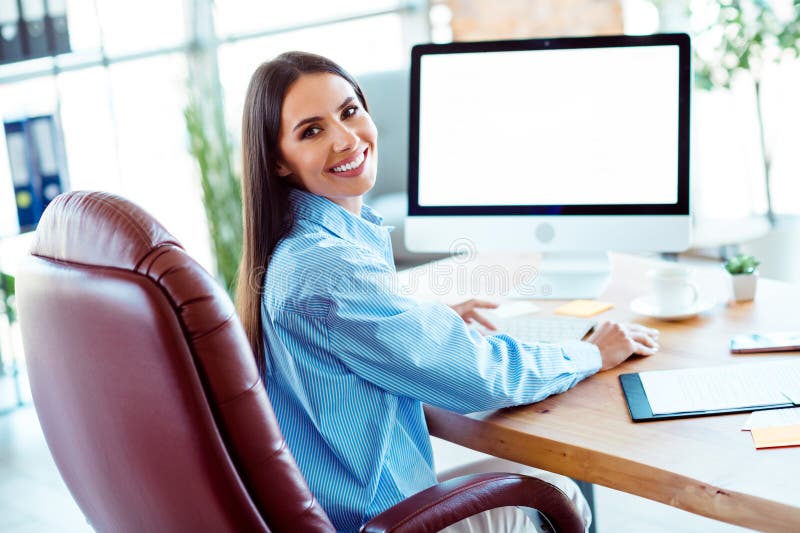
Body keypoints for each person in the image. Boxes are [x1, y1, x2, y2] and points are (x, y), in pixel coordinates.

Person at [236, 51, 660, 533]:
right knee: (554, 495)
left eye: (349, 112)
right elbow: (482, 379)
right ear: (278, 160)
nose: (346, 138)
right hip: (382, 519)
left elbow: (348, 335)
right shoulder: (329, 267)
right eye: (312, 131)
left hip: (352, 511)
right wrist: (589, 353)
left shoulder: (299, 250)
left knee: (550, 483)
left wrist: (419, 322)